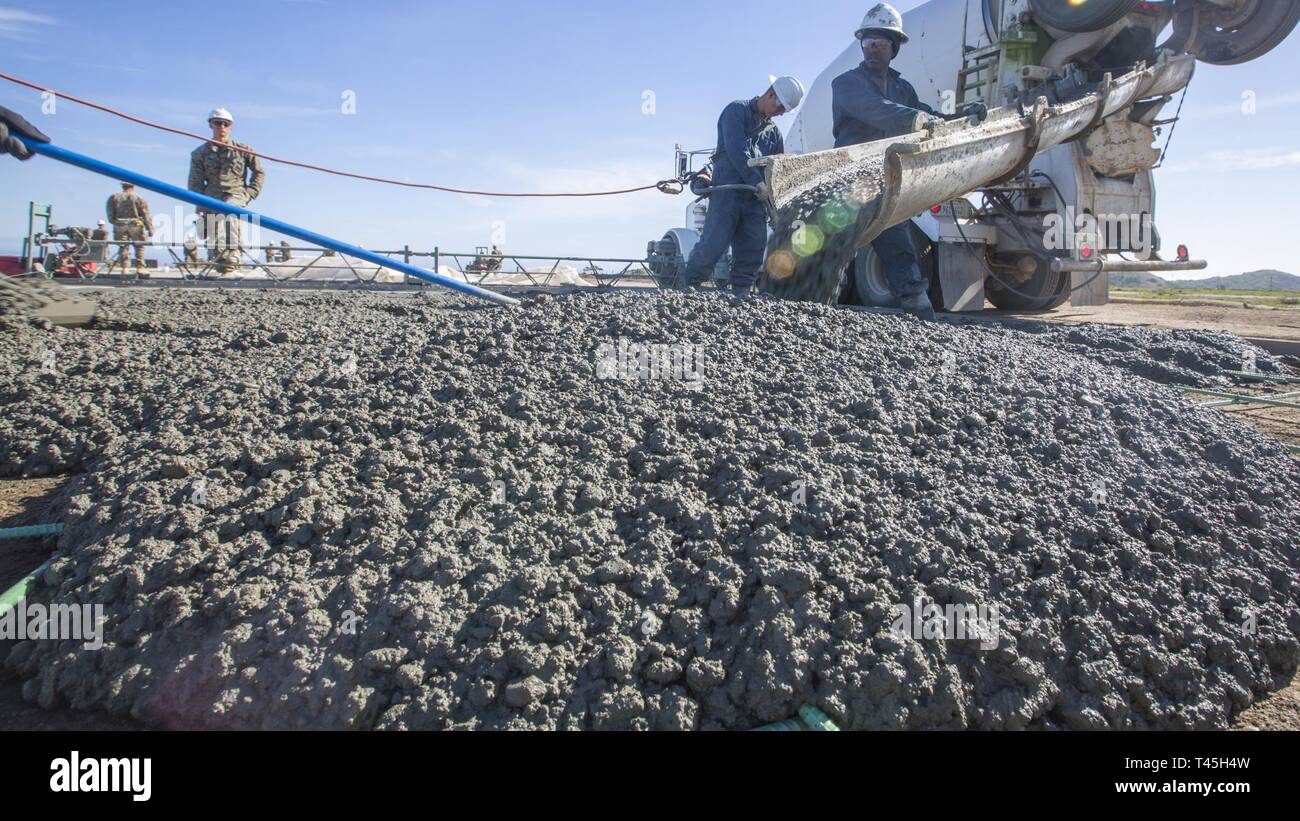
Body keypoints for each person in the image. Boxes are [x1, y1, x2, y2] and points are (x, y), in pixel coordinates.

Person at [831, 4, 984, 320]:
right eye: (868, 43)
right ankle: (812, 309)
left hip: (886, 179)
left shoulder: (903, 89)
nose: (873, 48)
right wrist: (916, 118)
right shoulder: (846, 84)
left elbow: (932, 116)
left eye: (881, 43)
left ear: (894, 48)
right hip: (852, 176)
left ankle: (919, 309)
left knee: (899, 244)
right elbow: (877, 109)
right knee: (835, 246)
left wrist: (963, 116)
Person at [682, 75, 805, 297]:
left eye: (784, 111)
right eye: (780, 107)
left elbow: (776, 166)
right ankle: (689, 289)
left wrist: (775, 200)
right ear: (770, 94)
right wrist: (755, 180)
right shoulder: (735, 112)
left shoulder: (774, 133)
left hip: (755, 200)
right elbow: (737, 151)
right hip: (728, 193)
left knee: (752, 247)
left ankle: (742, 293)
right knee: (714, 244)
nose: (780, 113)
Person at [188, 108, 265, 275]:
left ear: (230, 127)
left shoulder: (243, 150)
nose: (221, 127)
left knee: (229, 217)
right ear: (211, 125)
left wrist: (250, 193)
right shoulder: (200, 153)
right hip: (211, 196)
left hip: (236, 194)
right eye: (218, 123)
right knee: (213, 229)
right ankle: (218, 263)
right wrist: (199, 203)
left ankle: (232, 261)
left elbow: (259, 172)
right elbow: (195, 181)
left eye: (226, 124)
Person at [106, 183, 153, 274]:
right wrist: (149, 227)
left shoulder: (114, 197)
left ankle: (125, 268)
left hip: (120, 224)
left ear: (122, 186)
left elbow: (110, 212)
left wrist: (114, 222)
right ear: (133, 186)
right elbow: (145, 213)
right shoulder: (138, 198)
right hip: (135, 224)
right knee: (139, 246)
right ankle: (140, 267)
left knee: (123, 246)